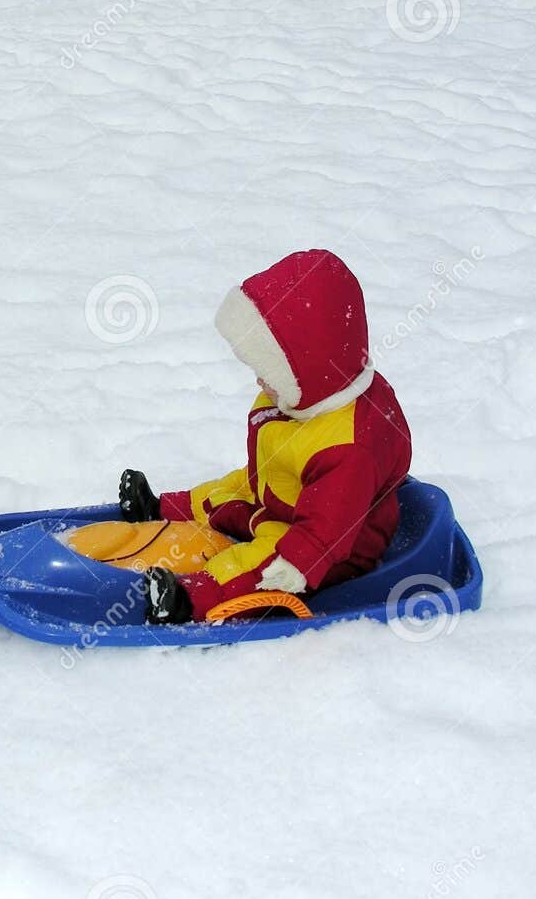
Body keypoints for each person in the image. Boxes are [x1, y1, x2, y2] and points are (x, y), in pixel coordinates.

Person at [118, 249, 412, 624]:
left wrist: (299, 562)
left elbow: (328, 529)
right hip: (282, 494)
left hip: (325, 543)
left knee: (262, 562)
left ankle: (189, 598)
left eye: (269, 372)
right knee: (227, 491)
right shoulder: (305, 397)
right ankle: (158, 508)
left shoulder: (349, 448)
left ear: (307, 369)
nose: (258, 381)